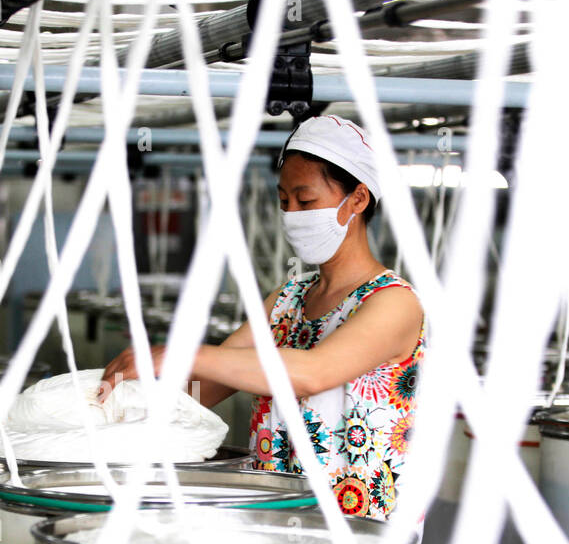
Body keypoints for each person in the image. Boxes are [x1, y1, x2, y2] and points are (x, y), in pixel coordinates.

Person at [101, 115, 424, 520]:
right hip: (276, 518)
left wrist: (182, 352)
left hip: (358, 529)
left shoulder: (394, 302)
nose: (292, 214)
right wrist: (114, 410)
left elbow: (312, 372)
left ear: (357, 200)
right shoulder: (287, 299)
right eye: (284, 200)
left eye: (305, 201)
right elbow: (203, 391)